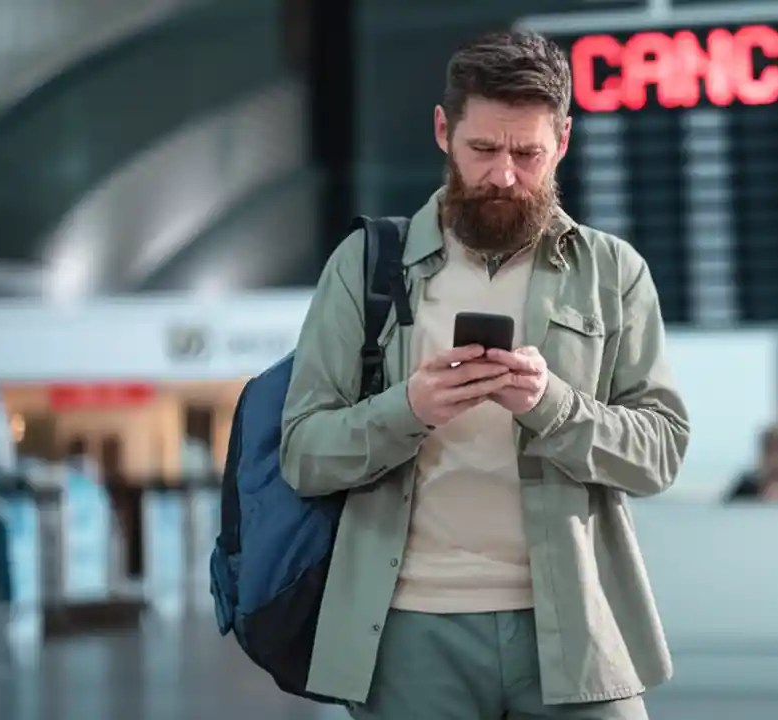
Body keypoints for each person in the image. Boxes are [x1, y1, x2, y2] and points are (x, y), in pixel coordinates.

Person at [279, 30, 690, 720]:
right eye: (484, 150)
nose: (504, 175)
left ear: (562, 140)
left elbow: (661, 453)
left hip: (574, 629)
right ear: (444, 131)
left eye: (527, 153)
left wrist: (553, 405)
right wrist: (407, 409)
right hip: (407, 632)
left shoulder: (613, 272)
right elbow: (302, 453)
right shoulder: (364, 266)